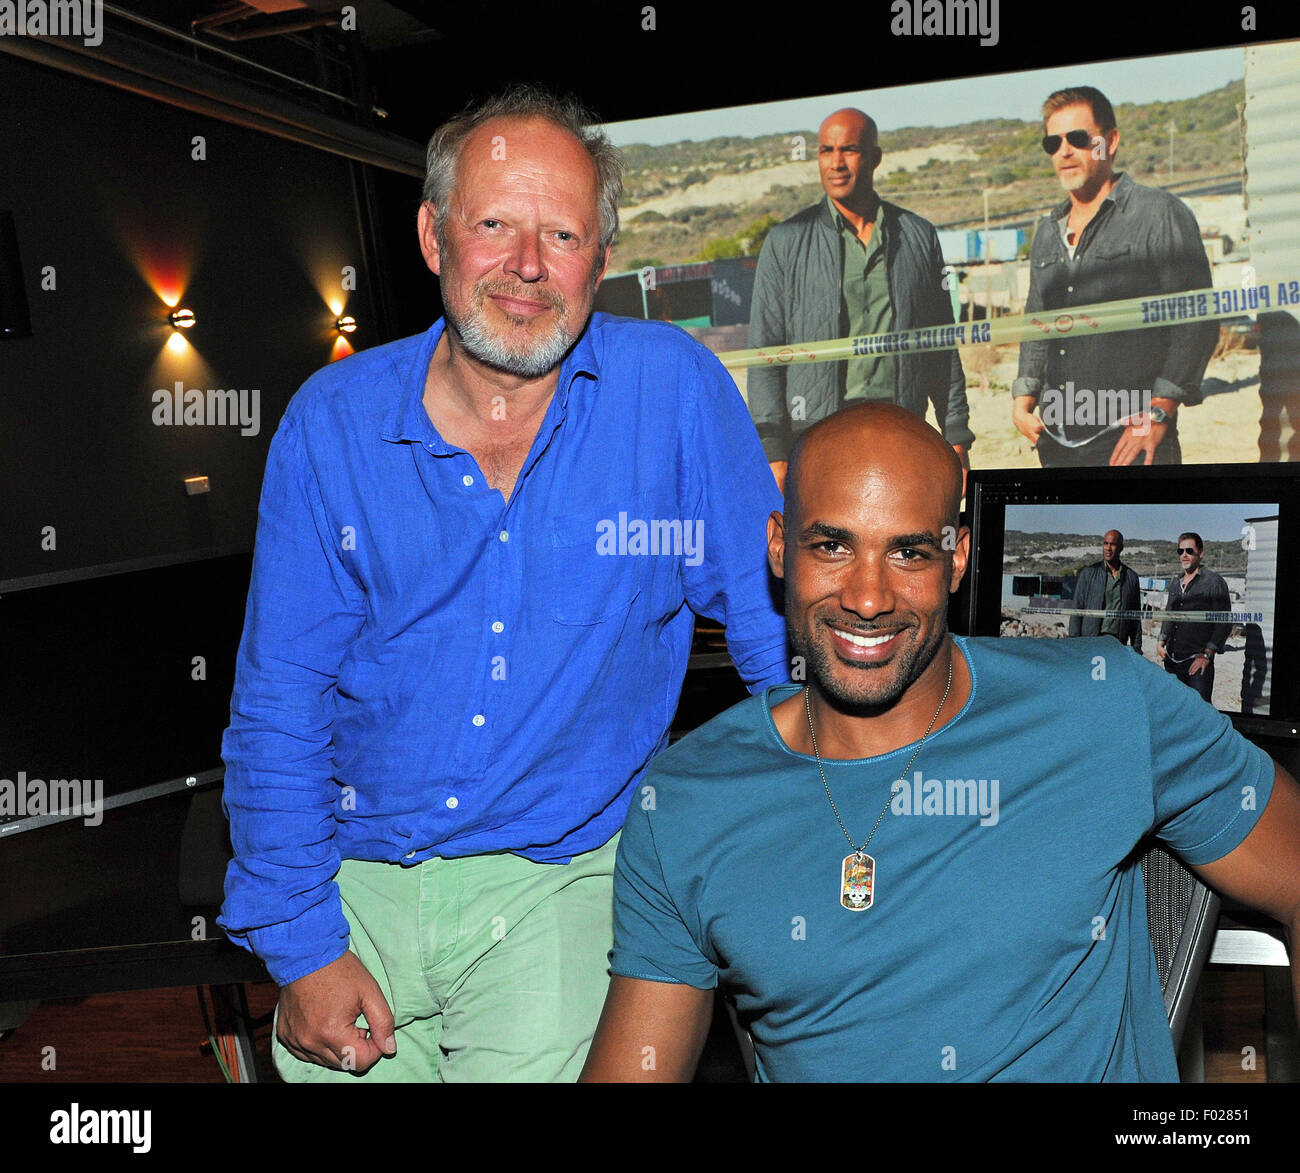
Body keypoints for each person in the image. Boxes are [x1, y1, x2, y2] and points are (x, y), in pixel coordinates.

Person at [217, 85, 790, 1083]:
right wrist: (303, 946)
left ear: (600, 261)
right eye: (495, 225)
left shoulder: (673, 392)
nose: (528, 266)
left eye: (562, 235)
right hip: (350, 885)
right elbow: (278, 702)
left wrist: (833, 831)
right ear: (434, 237)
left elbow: (771, 632)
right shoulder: (330, 424)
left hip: (557, 882)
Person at [580, 403, 1300, 1082]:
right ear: (778, 547)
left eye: (909, 553)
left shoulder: (1105, 704)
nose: (868, 597)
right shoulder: (684, 804)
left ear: (955, 561)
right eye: (832, 545)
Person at [747, 108, 973, 493]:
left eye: (849, 149)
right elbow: (765, 352)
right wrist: (773, 450)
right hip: (818, 437)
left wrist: (956, 433)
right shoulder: (786, 242)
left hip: (901, 429)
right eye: (825, 150)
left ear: (874, 157)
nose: (836, 162)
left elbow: (941, 345)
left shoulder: (918, 236)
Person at [1011, 86, 1219, 467]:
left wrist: (1159, 412)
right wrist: (1023, 395)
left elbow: (1197, 319)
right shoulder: (1046, 231)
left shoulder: (1159, 215)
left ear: (1110, 141)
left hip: (1133, 443)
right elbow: (1037, 322)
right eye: (1052, 143)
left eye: (1077, 138)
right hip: (1057, 440)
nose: (1064, 151)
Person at [1157, 532, 1232, 703]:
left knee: (1199, 715)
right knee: (1174, 710)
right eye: (1181, 551)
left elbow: (1224, 622)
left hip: (1197, 664)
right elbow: (1170, 613)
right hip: (1172, 661)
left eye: (1189, 550)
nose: (1184, 555)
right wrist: (1161, 641)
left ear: (1201, 553)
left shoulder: (1214, 582)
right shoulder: (1176, 582)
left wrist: (1207, 655)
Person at [1068, 529, 1143, 651]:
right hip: (1091, 642)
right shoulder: (1088, 573)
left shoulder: (1131, 577)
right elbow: (1077, 609)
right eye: (1105, 543)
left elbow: (1135, 617)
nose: (1108, 548)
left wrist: (1137, 648)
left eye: (1112, 544)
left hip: (1117, 644)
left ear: (1121, 548)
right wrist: (1073, 643)